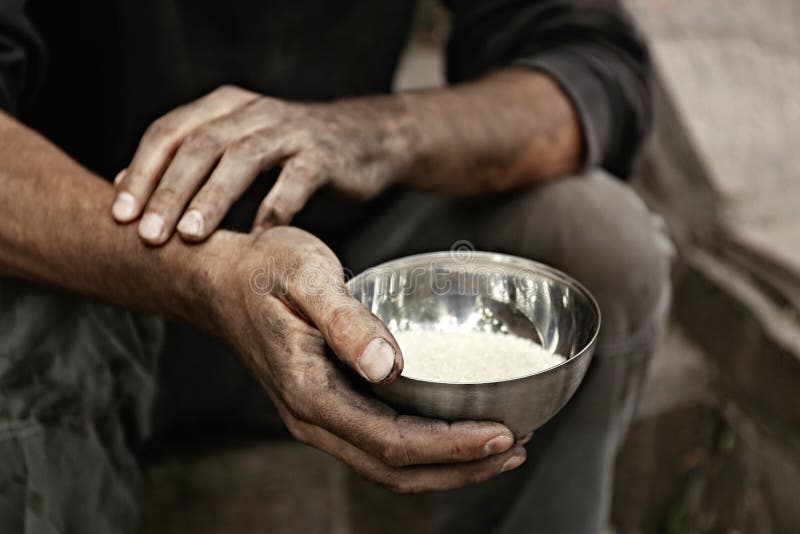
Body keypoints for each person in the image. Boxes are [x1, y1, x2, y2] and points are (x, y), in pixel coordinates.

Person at [0, 1, 673, 532]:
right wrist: (197, 268)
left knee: (597, 239)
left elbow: (590, 62)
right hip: (74, 270)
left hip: (341, 265)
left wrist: (375, 133)